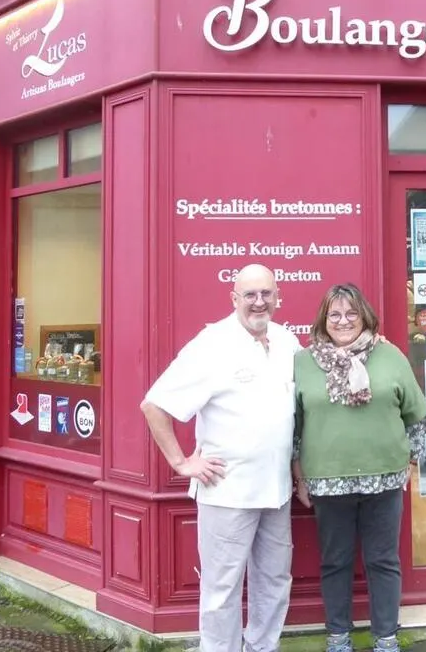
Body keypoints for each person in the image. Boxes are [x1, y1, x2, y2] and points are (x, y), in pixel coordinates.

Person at [140, 264, 300, 652]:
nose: (259, 302)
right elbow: (154, 405)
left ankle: (263, 647)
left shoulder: (287, 341)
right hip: (227, 492)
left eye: (266, 294)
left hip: (277, 491)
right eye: (250, 295)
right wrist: (181, 463)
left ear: (278, 297)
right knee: (221, 590)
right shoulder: (212, 343)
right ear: (234, 299)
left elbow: (298, 413)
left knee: (275, 580)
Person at [292, 283, 426, 652]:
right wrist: (298, 475)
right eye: (334, 314)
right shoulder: (304, 361)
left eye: (351, 313)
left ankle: (386, 638)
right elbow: (295, 423)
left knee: (383, 561)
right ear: (324, 320)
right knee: (335, 562)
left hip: (384, 478)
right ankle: (339, 637)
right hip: (327, 481)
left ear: (364, 316)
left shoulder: (390, 356)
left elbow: (416, 415)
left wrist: (410, 461)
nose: (343, 321)